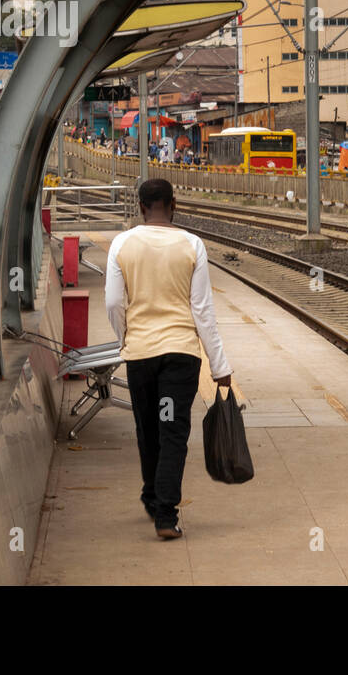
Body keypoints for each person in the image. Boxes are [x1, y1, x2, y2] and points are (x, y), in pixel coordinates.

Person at [105, 178, 234, 539]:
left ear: (141, 207)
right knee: (172, 430)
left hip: (141, 356)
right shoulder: (192, 245)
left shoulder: (122, 244)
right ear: (173, 204)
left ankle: (153, 497)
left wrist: (125, 339)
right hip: (180, 357)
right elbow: (203, 311)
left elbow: (114, 303)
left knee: (148, 428)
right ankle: (164, 513)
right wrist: (220, 367)